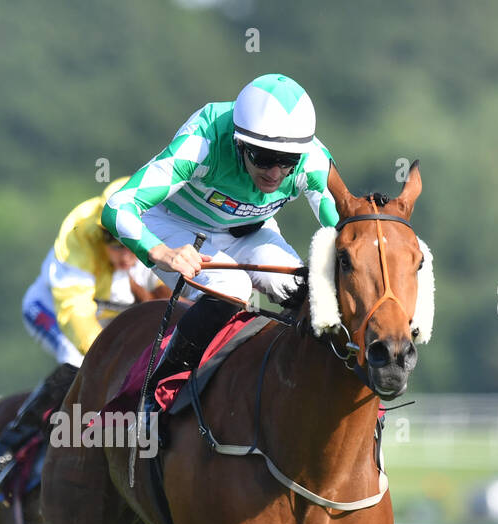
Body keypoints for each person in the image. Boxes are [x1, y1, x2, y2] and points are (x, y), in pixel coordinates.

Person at [101, 73, 341, 404]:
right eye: (264, 158)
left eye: (287, 162)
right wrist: (160, 252)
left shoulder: (312, 159)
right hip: (174, 226)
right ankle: (155, 395)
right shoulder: (204, 142)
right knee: (233, 288)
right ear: (239, 143)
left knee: (307, 290)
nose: (275, 173)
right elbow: (116, 206)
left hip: (249, 231)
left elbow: (344, 232)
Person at [0, 180, 166, 485]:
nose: (128, 257)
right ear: (101, 236)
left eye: (133, 247)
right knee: (78, 360)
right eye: (118, 246)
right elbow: (76, 316)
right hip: (52, 311)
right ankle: (8, 446)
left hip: (107, 318)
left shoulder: (149, 241)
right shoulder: (78, 238)